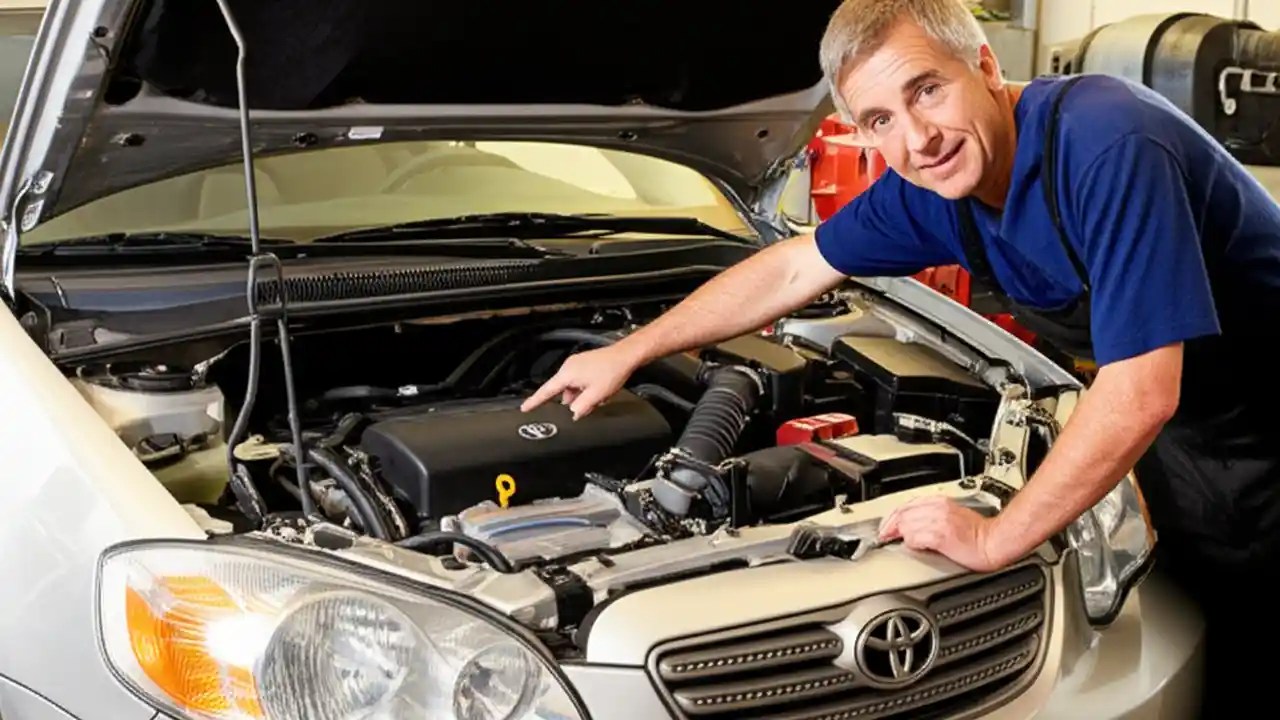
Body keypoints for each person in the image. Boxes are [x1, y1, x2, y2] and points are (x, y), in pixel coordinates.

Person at [522, 0, 1280, 711]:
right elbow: (793, 266)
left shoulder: (1107, 141)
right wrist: (632, 349)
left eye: (928, 90)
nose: (917, 139)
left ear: (985, 67)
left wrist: (994, 535)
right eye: (881, 118)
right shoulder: (932, 189)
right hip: (1197, 436)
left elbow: (1142, 390)